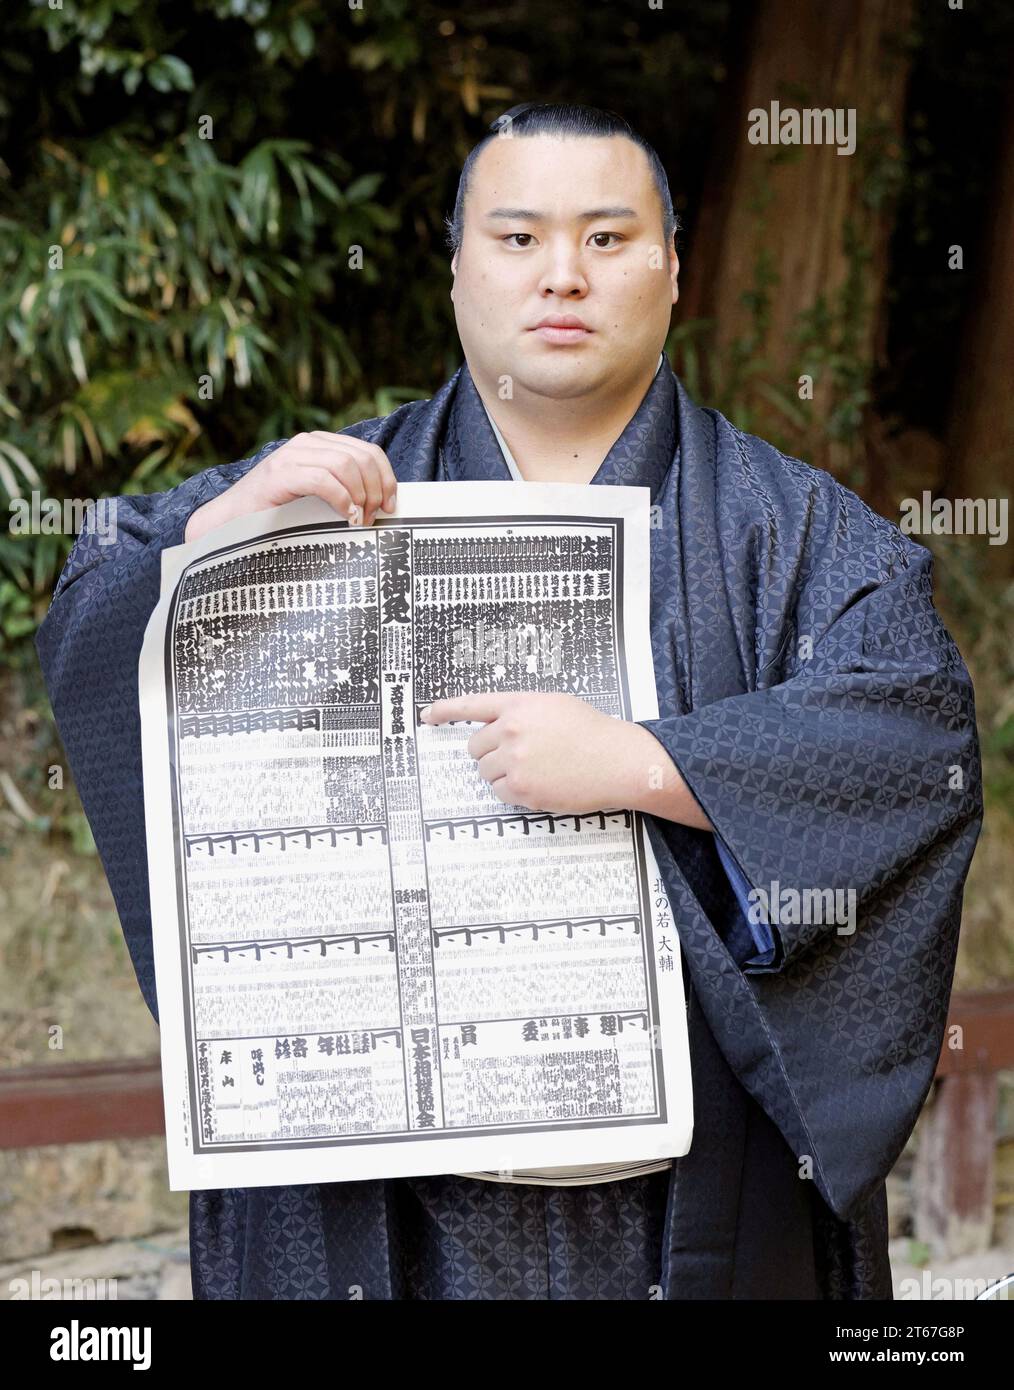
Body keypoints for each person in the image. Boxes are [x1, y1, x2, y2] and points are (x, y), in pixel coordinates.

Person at [36, 102, 983, 1300]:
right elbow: (93, 596)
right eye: (519, 238)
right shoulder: (321, 492)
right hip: (389, 1206)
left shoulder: (788, 527)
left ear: (674, 269)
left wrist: (648, 763)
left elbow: (914, 730)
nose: (563, 277)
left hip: (685, 1189)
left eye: (607, 237)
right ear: (455, 272)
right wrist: (218, 545)